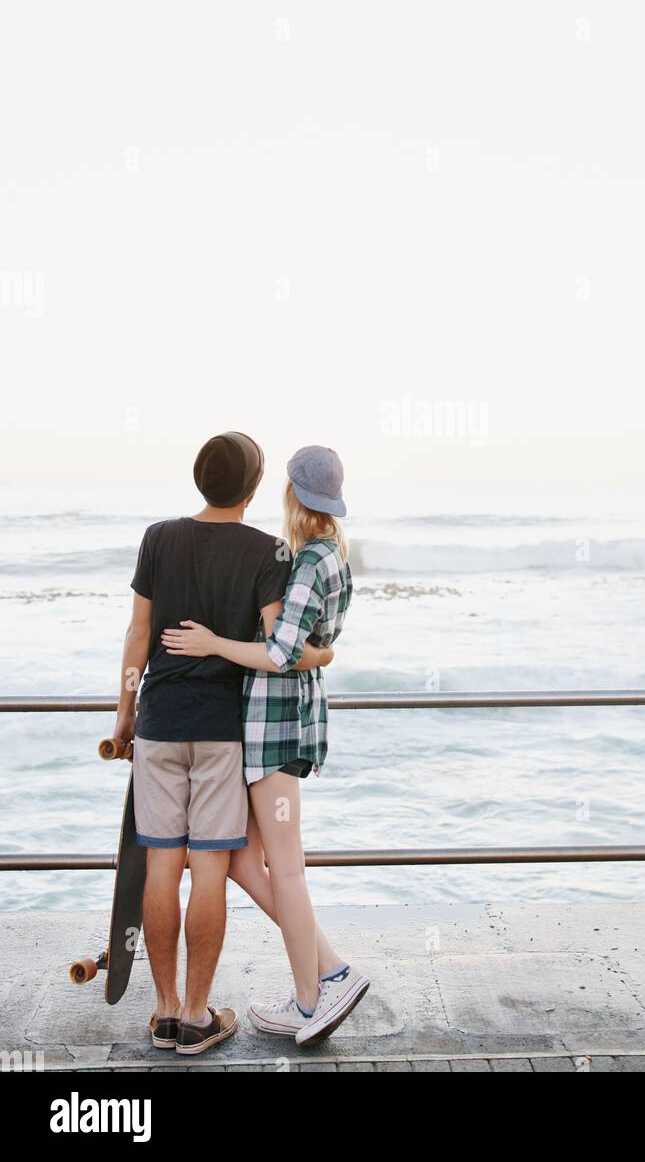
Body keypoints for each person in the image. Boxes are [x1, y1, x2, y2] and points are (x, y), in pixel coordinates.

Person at [112, 431, 331, 1056]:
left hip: (158, 724)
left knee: (162, 866)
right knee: (208, 871)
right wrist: (325, 652)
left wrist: (125, 713)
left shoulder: (159, 537)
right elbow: (277, 645)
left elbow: (137, 635)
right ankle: (199, 1017)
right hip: (224, 734)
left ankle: (163, 1011)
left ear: (197, 477)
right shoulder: (269, 552)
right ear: (254, 487)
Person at [162, 445, 368, 1046]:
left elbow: (281, 655)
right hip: (281, 724)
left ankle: (312, 1000)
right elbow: (313, 647)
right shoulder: (334, 556)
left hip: (276, 729)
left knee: (286, 868)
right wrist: (318, 652)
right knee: (245, 860)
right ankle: (329, 969)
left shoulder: (308, 562)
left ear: (290, 494)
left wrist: (214, 644)